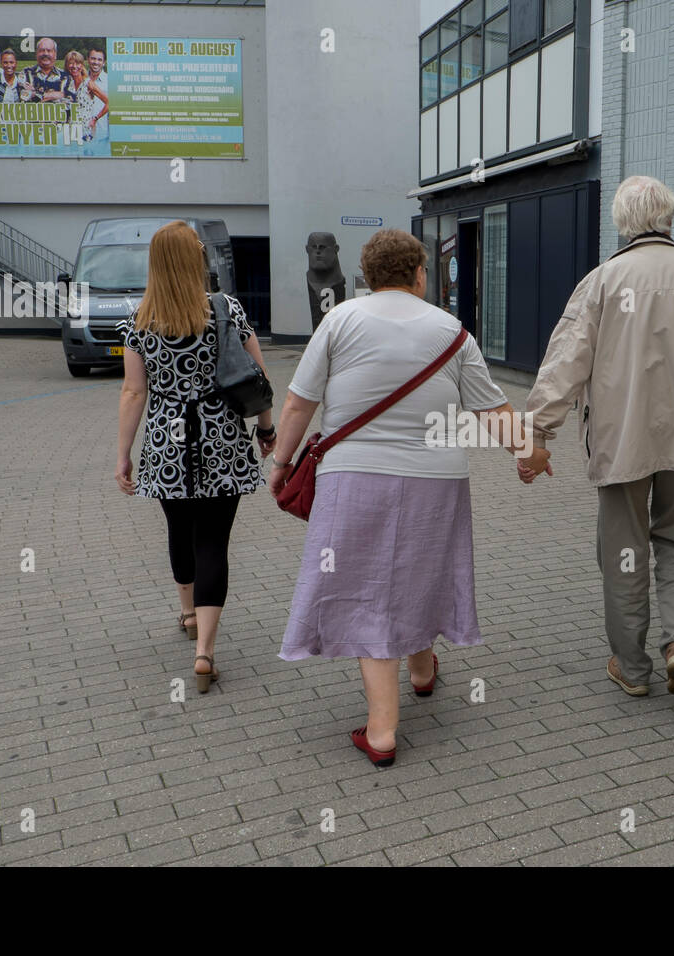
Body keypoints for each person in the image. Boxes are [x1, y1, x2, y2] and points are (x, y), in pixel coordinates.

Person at [268, 228, 530, 768]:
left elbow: (298, 404)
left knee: (366, 588)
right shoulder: (453, 332)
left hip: (353, 478)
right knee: (418, 570)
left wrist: (281, 465)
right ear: (419, 275)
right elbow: (493, 414)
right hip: (438, 478)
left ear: (367, 276)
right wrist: (529, 455)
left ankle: (383, 731)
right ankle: (422, 671)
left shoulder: (339, 321)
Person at [522, 175, 674, 697]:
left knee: (623, 553)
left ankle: (631, 669)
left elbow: (565, 363)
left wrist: (537, 434)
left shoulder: (602, 281)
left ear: (621, 221)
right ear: (669, 216)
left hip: (622, 440)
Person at [116, 221, 276, 694]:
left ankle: (187, 612)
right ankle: (204, 651)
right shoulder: (227, 309)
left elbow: (132, 392)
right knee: (213, 542)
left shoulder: (138, 320)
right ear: (197, 260)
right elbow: (257, 375)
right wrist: (267, 430)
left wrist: (123, 455)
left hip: (166, 443)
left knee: (179, 532)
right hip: (221, 439)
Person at [20, 37, 66, 103]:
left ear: (55, 54)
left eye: (49, 50)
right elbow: (23, 96)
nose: (45, 54)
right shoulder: (26, 73)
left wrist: (34, 93)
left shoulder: (64, 76)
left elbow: (70, 100)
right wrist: (55, 95)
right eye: (42, 50)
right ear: (36, 54)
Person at [86, 47, 110, 143]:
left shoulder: (109, 81)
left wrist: (96, 118)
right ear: (88, 60)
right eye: (93, 58)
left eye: (99, 60)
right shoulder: (81, 79)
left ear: (104, 63)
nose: (96, 62)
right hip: (82, 134)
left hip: (102, 134)